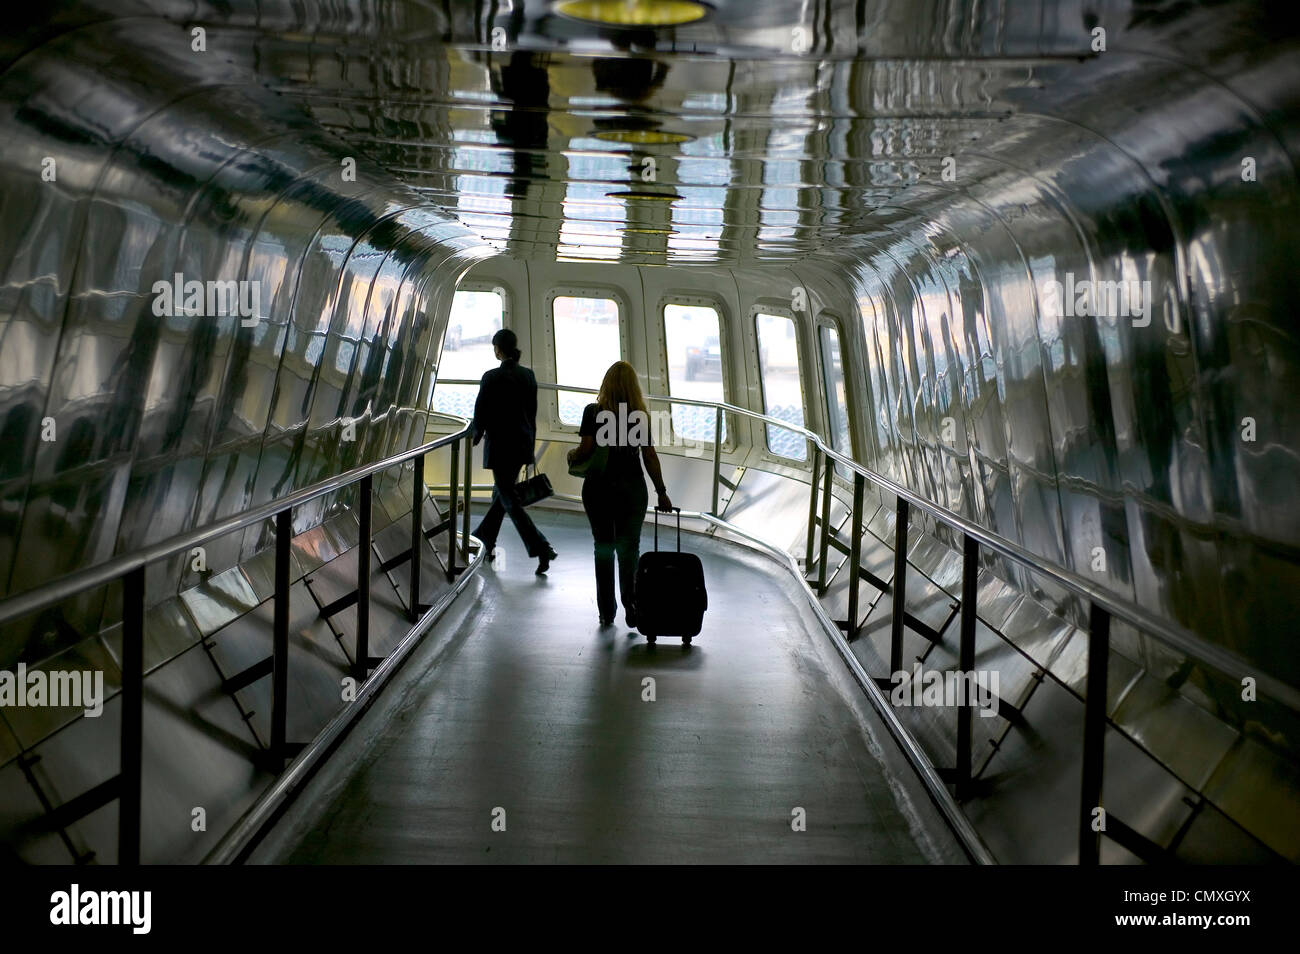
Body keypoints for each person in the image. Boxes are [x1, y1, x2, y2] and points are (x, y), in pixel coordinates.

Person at [566, 361, 672, 628]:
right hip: (632, 489)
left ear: (607, 384)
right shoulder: (639, 417)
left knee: (603, 547)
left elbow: (585, 450)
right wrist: (661, 492)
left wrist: (572, 457)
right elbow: (649, 456)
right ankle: (631, 604)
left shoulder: (594, 412)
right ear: (633, 388)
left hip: (599, 489)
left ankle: (606, 611)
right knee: (629, 549)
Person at [470, 329, 557, 574]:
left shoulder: (490, 377)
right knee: (502, 495)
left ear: (498, 349)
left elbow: (481, 412)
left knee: (508, 498)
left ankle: (541, 547)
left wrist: (476, 435)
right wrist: (529, 449)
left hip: (499, 447)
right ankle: (485, 541)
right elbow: (531, 415)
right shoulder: (528, 376)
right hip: (520, 446)